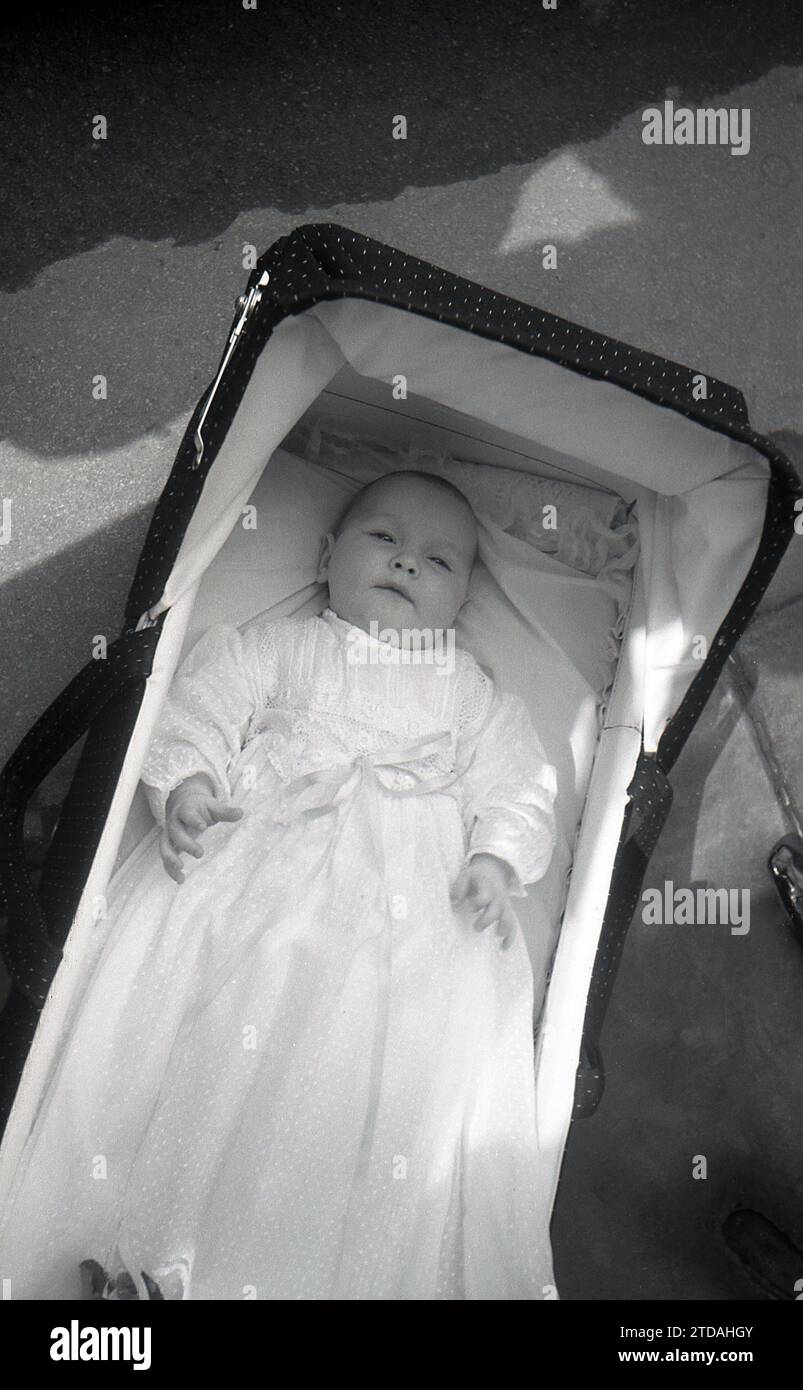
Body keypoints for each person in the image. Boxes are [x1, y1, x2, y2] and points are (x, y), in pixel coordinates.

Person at [0, 470, 558, 1300]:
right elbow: (205, 705)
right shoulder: (285, 647)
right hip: (256, 878)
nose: (407, 563)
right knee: (201, 1041)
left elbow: (517, 782)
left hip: (400, 925)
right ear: (328, 555)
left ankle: (248, 1270)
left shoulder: (471, 694)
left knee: (353, 1093)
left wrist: (495, 857)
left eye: (438, 561)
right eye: (384, 539)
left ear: (464, 596)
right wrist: (187, 782)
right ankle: (142, 1259)